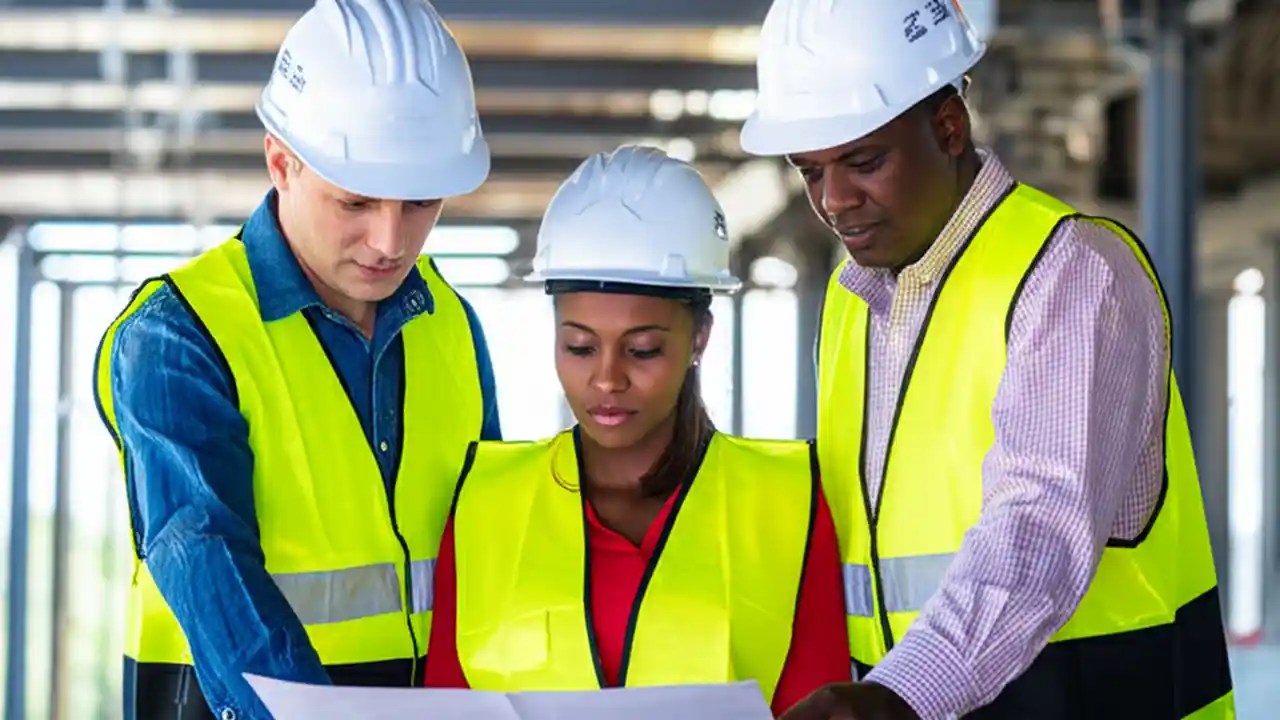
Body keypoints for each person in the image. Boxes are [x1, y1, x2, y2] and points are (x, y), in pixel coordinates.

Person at [736, 0, 1235, 718]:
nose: (836, 201)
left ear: (948, 128)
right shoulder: (852, 302)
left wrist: (897, 696)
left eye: (863, 161)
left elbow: (1039, 534)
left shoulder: (1069, 274)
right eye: (810, 172)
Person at [91, 1, 500, 718]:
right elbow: (211, 569)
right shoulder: (179, 337)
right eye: (356, 203)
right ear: (281, 162)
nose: (389, 241)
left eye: (421, 203)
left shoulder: (451, 325)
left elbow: (494, 553)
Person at [420, 145, 852, 716]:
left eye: (642, 349)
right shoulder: (485, 502)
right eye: (578, 346)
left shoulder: (788, 501)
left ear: (699, 336)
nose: (606, 380)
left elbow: (814, 702)